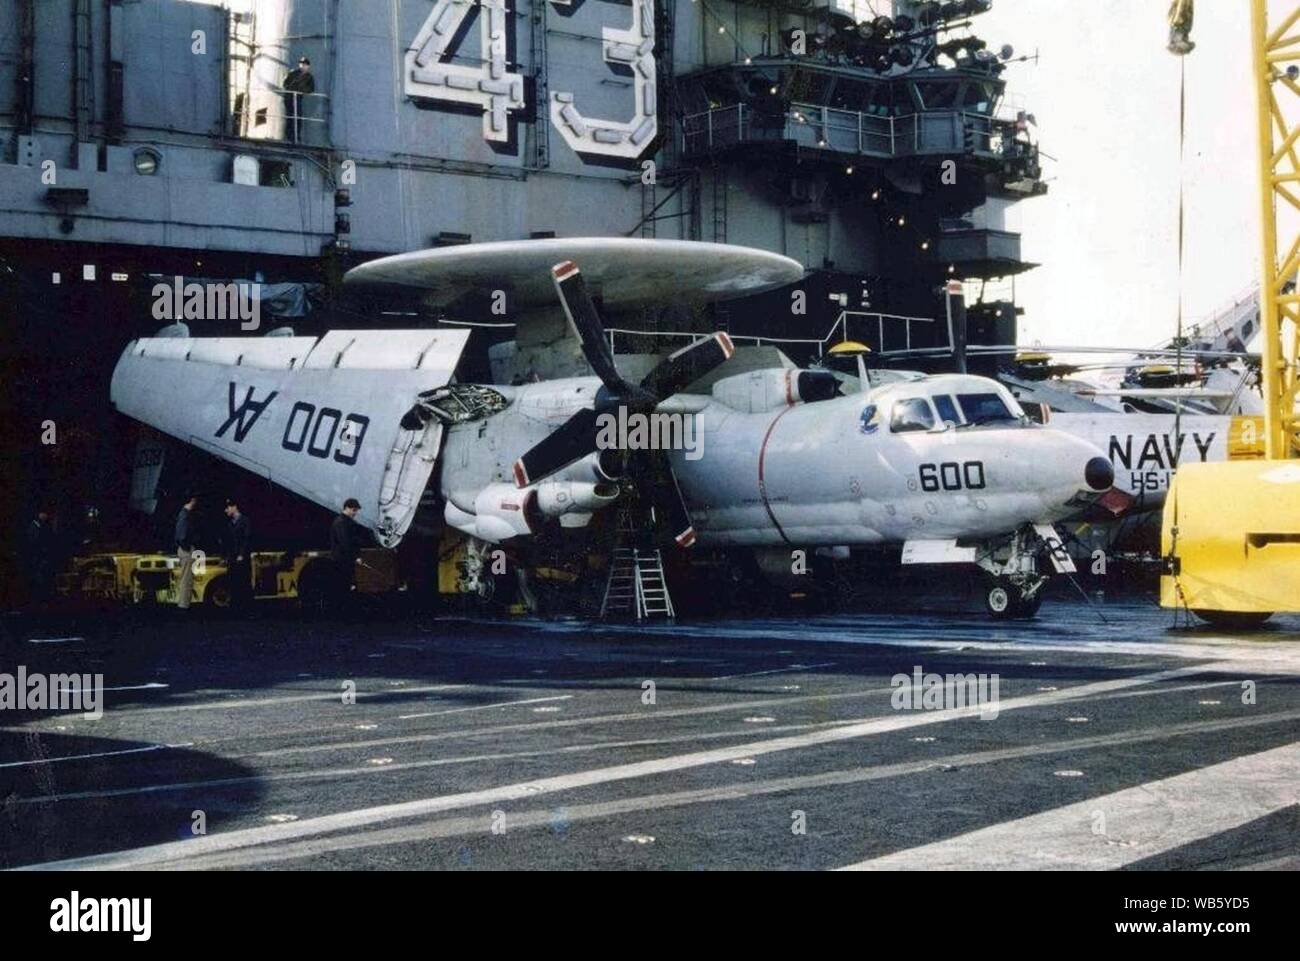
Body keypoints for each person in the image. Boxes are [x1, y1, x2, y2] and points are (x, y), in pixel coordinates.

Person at [24, 507, 58, 606]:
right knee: (39, 578)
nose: (46, 516)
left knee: (43, 578)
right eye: (44, 514)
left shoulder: (41, 527)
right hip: (37, 557)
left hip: (41, 557)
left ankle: (42, 599)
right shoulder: (34, 527)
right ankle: (38, 600)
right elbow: (33, 542)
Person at [224, 498, 253, 611]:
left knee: (244, 581)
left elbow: (247, 539)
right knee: (233, 581)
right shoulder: (230, 523)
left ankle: (247, 607)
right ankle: (236, 607)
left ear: (234, 507)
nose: (226, 510)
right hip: (232, 557)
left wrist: (241, 554)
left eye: (227, 508)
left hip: (242, 557)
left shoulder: (245, 520)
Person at [330, 497, 363, 595]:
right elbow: (345, 542)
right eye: (354, 510)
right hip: (342, 560)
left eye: (356, 511)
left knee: (348, 586)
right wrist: (355, 557)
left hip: (346, 560)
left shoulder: (345, 522)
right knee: (346, 586)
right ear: (347, 508)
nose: (355, 513)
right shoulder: (341, 523)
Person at [281, 56, 315, 143]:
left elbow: (311, 89)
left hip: (298, 98)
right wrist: (290, 89)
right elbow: (285, 84)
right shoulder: (293, 73)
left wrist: (301, 90)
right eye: (301, 64)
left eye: (304, 64)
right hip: (289, 97)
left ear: (308, 66)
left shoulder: (309, 77)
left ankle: (296, 136)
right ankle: (288, 136)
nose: (302, 66)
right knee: (290, 117)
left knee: (297, 117)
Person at [174, 494, 199, 610]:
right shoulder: (185, 515)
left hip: (184, 548)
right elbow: (182, 535)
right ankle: (183, 606)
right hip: (186, 549)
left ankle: (184, 604)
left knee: (186, 578)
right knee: (186, 578)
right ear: (192, 500)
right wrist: (187, 547)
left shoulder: (183, 514)